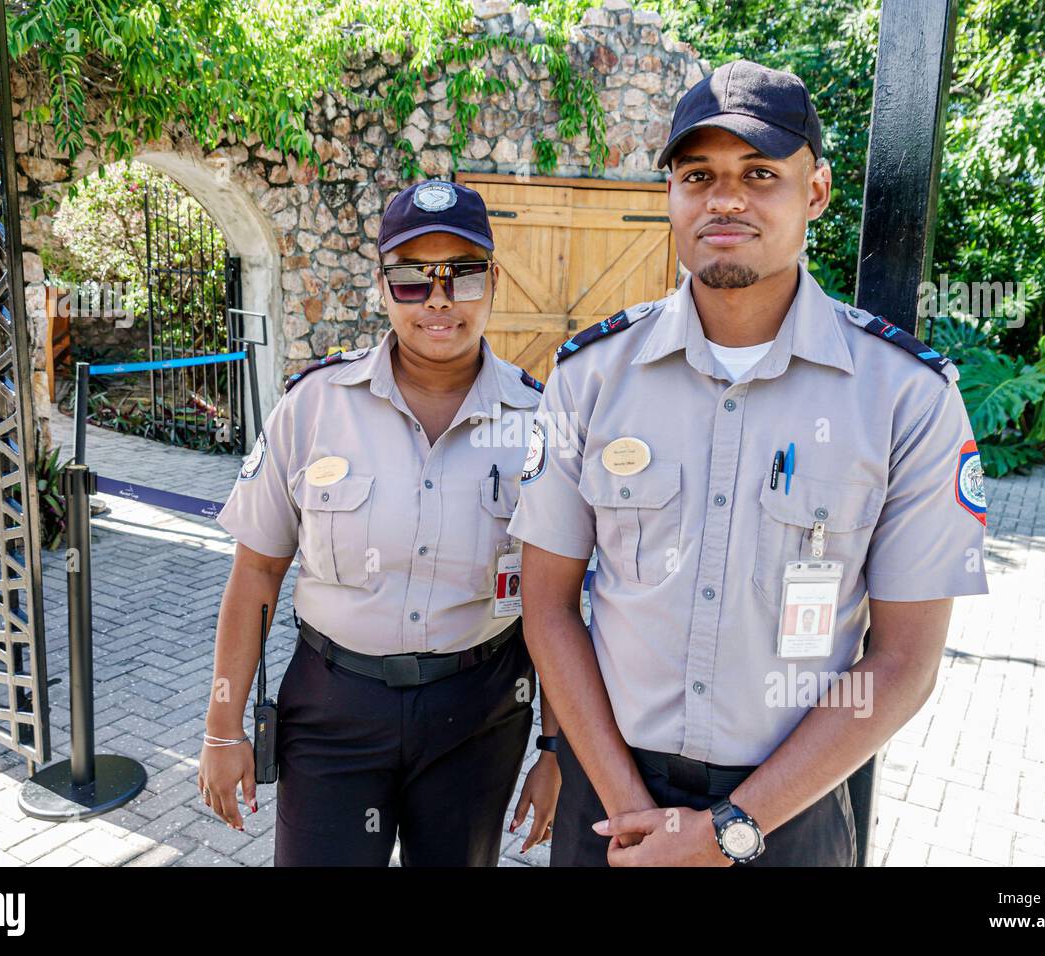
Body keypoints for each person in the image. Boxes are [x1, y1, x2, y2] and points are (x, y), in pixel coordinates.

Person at [508, 59, 989, 867]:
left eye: (759, 173)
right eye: (699, 174)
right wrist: (634, 812)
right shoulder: (589, 377)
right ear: (670, 196)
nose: (725, 198)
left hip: (787, 812)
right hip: (611, 797)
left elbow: (903, 660)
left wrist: (732, 826)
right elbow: (550, 606)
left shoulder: (906, 397)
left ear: (817, 192)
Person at [200, 180, 561, 866]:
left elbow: (558, 604)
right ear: (380, 287)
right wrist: (223, 730)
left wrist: (555, 747)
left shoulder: (541, 423)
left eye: (462, 275)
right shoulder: (313, 409)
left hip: (477, 716)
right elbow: (255, 576)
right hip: (333, 710)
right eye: (409, 279)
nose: (438, 299)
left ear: (495, 282)